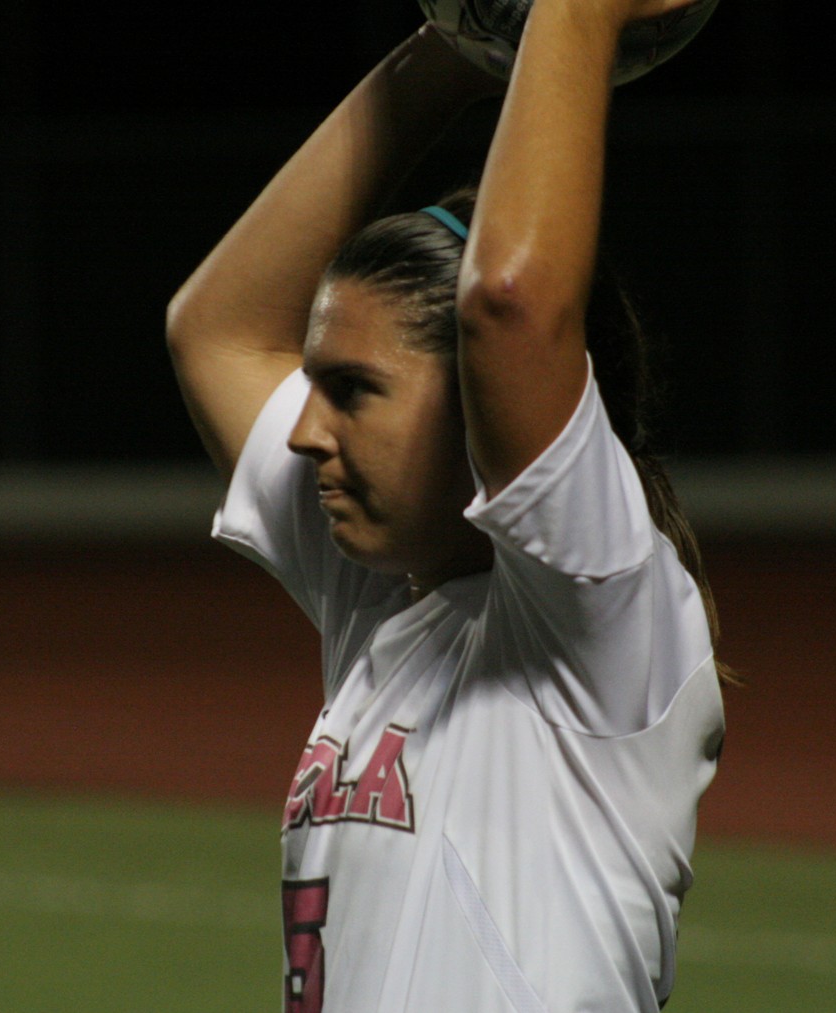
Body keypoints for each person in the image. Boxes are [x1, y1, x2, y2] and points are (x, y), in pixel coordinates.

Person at [166, 0, 728, 1008]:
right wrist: (453, 52)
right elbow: (216, 330)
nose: (305, 429)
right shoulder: (379, 599)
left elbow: (509, 301)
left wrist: (577, 13)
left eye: (353, 389)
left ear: (479, 402)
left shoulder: (597, 609)